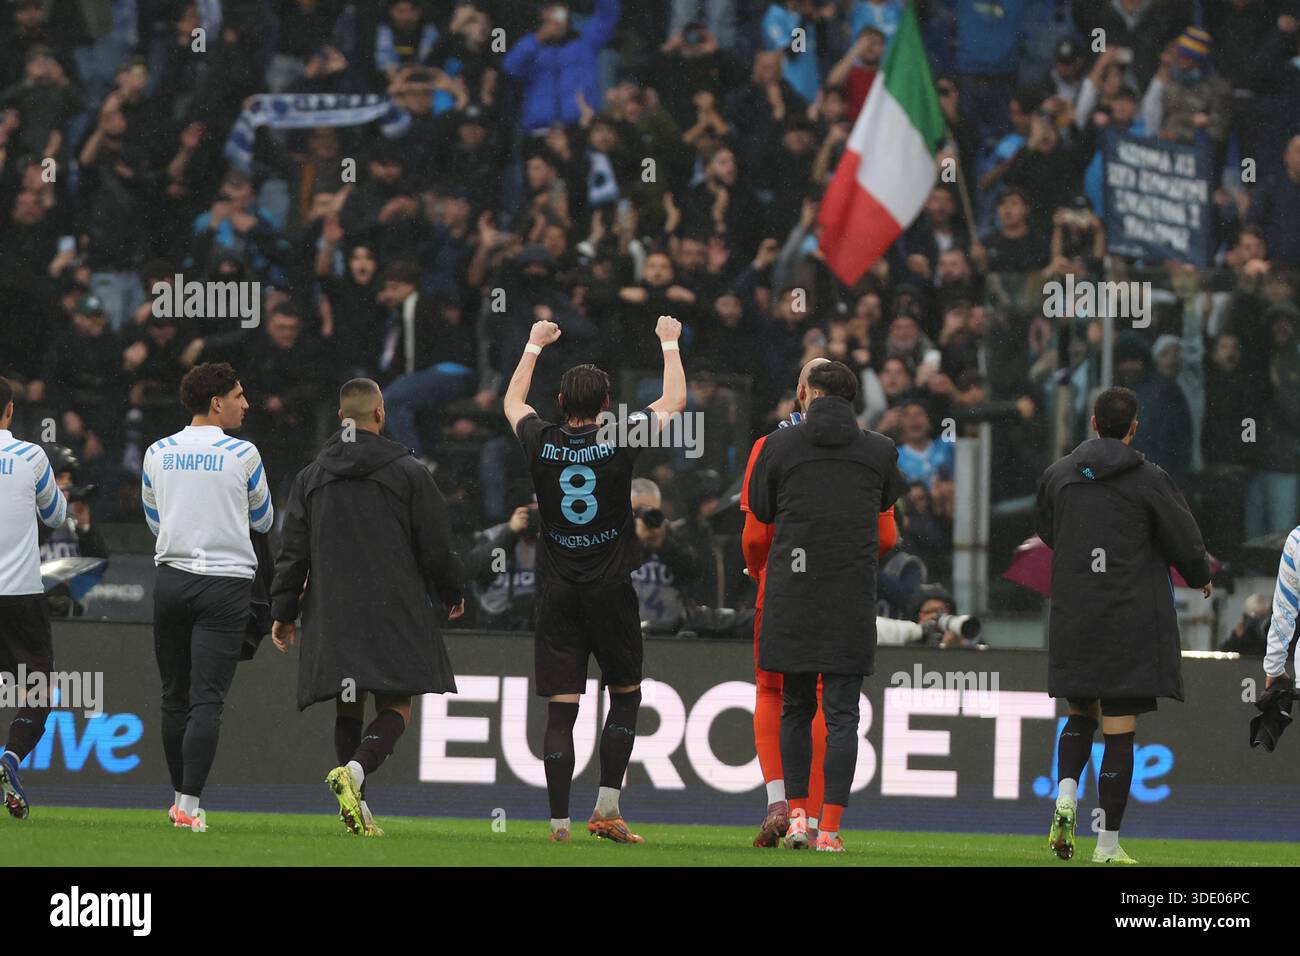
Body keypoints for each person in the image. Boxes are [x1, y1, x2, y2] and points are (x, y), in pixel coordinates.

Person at [504, 314, 686, 844]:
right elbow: (673, 400)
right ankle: (606, 809)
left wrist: (532, 346)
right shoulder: (619, 441)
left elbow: (513, 403)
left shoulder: (539, 440)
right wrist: (669, 343)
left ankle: (559, 826)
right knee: (624, 695)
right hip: (611, 590)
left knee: (563, 707)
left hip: (558, 592)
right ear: (607, 405)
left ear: (560, 404)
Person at [270, 378, 466, 837]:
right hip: (393, 604)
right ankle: (355, 775)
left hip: (332, 608)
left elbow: (292, 550)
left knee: (349, 701)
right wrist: (451, 590)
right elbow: (437, 544)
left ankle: (357, 809)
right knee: (398, 703)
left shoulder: (310, 476)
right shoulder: (409, 472)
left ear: (342, 420)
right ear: (380, 415)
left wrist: (282, 610)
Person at [1036, 386, 1211, 864]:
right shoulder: (1149, 478)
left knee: (1080, 712)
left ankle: (1066, 795)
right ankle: (1107, 846)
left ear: (1093, 423)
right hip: (1130, 613)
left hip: (1076, 611)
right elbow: (1184, 538)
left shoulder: (1057, 474)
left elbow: (1050, 532)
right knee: (1118, 729)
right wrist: (1200, 576)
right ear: (1133, 427)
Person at [746, 360, 908, 852]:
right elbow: (887, 528)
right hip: (849, 596)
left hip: (790, 595)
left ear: (808, 394)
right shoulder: (880, 450)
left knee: (793, 706)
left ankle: (795, 817)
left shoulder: (775, 446)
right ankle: (829, 829)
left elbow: (762, 514)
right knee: (842, 715)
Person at [140, 362, 274, 832]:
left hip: (172, 580)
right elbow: (263, 521)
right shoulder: (244, 454)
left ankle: (179, 801)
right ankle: (189, 806)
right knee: (207, 701)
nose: (246, 403)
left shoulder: (157, 451)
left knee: (173, 697)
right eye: (239, 395)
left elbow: (154, 518)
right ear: (217, 402)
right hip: (225, 584)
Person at [0, 377, 68, 819]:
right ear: (8, 412)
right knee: (37, 686)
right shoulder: (30, 455)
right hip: (20, 593)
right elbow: (57, 515)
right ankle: (10, 757)